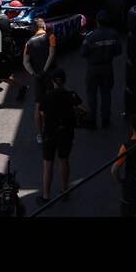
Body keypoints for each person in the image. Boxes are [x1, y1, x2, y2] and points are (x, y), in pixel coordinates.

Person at [36, 69, 87, 206]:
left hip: (50, 133)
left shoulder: (46, 97)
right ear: (64, 81)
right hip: (66, 132)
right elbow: (84, 108)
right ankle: (65, 191)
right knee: (64, 160)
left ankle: (46, 196)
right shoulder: (71, 95)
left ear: (52, 82)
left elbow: (40, 113)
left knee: (47, 164)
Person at [80, 10, 122, 128]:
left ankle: (92, 120)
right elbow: (118, 51)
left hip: (93, 68)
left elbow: (83, 53)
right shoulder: (114, 34)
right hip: (108, 67)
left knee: (92, 94)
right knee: (106, 93)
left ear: (97, 21)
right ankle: (105, 119)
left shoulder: (90, 36)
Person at [22, 17, 57, 110]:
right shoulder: (51, 37)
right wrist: (44, 70)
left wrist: (34, 74)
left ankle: (40, 121)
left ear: (34, 28)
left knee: (39, 102)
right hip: (51, 73)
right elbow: (51, 55)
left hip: (38, 77)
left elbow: (25, 62)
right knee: (54, 97)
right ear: (44, 26)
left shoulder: (28, 43)